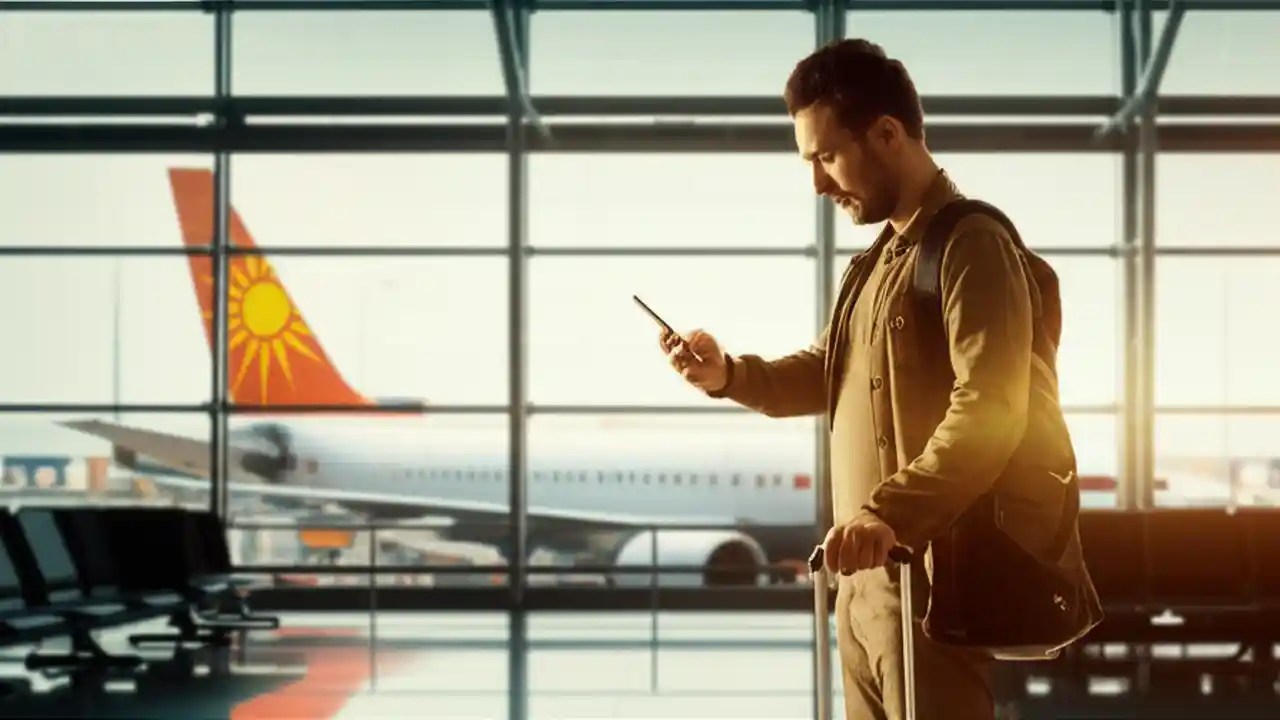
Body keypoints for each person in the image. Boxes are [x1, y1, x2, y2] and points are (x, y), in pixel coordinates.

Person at [657, 38, 1082, 719]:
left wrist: (889, 513)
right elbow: (828, 373)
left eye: (826, 157)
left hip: (931, 582)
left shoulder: (972, 245)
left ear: (886, 134)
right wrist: (729, 374)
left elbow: (992, 408)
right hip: (861, 584)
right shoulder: (875, 264)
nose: (818, 184)